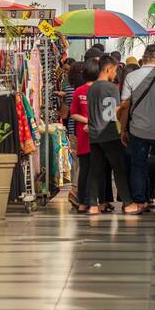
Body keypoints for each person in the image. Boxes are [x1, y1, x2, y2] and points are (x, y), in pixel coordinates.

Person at [118, 44, 155, 212]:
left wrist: (123, 129)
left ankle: (139, 201)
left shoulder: (131, 77)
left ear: (144, 57)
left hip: (138, 130)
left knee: (138, 165)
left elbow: (124, 106)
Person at [86, 59, 144, 215]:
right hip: (109, 133)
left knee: (95, 170)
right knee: (119, 169)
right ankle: (128, 203)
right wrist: (123, 123)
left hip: (93, 135)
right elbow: (115, 113)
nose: (116, 73)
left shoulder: (90, 89)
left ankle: (92, 204)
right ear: (108, 69)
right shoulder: (111, 88)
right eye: (115, 70)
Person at [68, 59, 99, 212]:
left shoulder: (78, 91)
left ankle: (83, 203)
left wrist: (87, 120)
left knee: (84, 169)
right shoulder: (101, 90)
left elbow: (73, 114)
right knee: (93, 170)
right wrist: (91, 121)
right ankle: (91, 201)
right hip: (96, 134)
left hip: (83, 134)